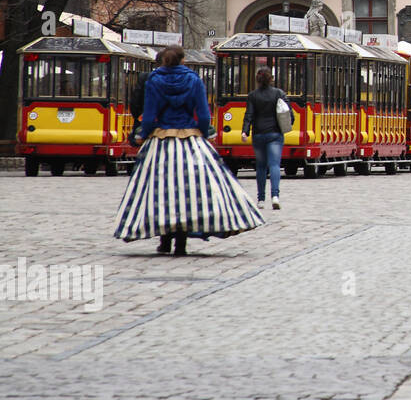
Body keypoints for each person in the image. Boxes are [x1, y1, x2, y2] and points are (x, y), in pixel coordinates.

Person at [113, 45, 263, 254]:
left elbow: (149, 115)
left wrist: (142, 133)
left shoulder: (154, 81)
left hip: (161, 140)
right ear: (183, 60)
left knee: (160, 190)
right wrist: (206, 132)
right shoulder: (193, 80)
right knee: (190, 190)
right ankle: (181, 243)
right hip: (189, 139)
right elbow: (202, 114)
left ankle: (165, 239)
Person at [241, 66, 288, 210]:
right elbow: (288, 113)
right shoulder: (279, 93)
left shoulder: (253, 96)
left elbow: (248, 115)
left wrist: (245, 131)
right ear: (271, 79)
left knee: (261, 166)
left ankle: (261, 199)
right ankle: (275, 196)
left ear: (258, 80)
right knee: (274, 165)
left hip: (258, 134)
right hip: (275, 133)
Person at [129, 50, 164, 121]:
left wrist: (139, 117)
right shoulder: (184, 79)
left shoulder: (145, 77)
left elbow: (135, 100)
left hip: (146, 121)